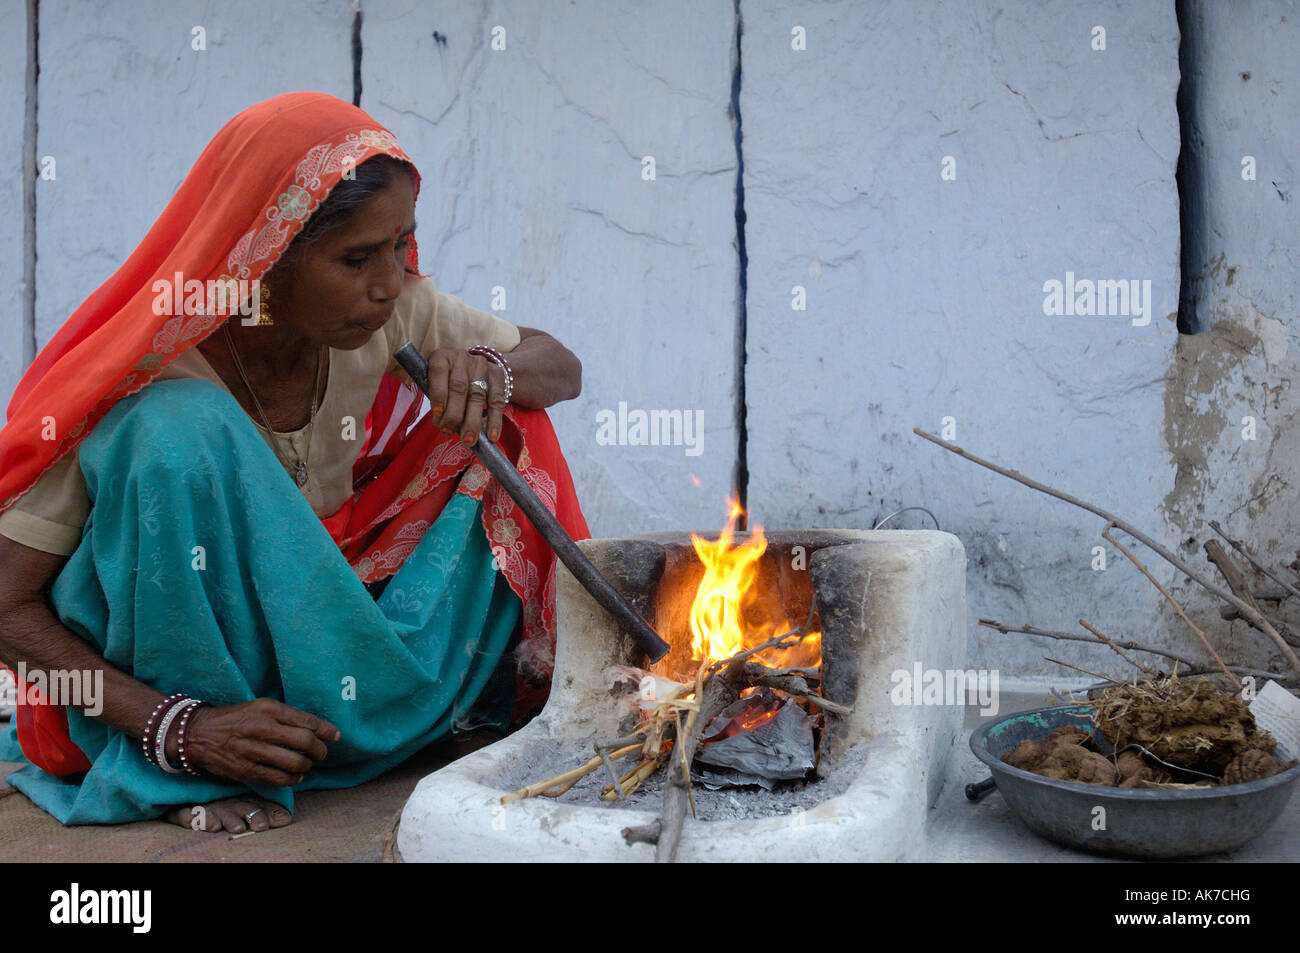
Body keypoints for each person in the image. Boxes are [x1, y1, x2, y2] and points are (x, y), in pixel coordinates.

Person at [0, 91, 589, 833]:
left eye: (401, 246)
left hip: (319, 630)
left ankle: (385, 720)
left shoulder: (393, 303)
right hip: (167, 694)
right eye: (357, 258)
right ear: (264, 253)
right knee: (175, 430)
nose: (388, 282)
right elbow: (5, 605)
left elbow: (558, 365)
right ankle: (206, 755)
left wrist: (489, 372)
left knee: (509, 411)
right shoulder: (146, 367)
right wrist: (179, 729)